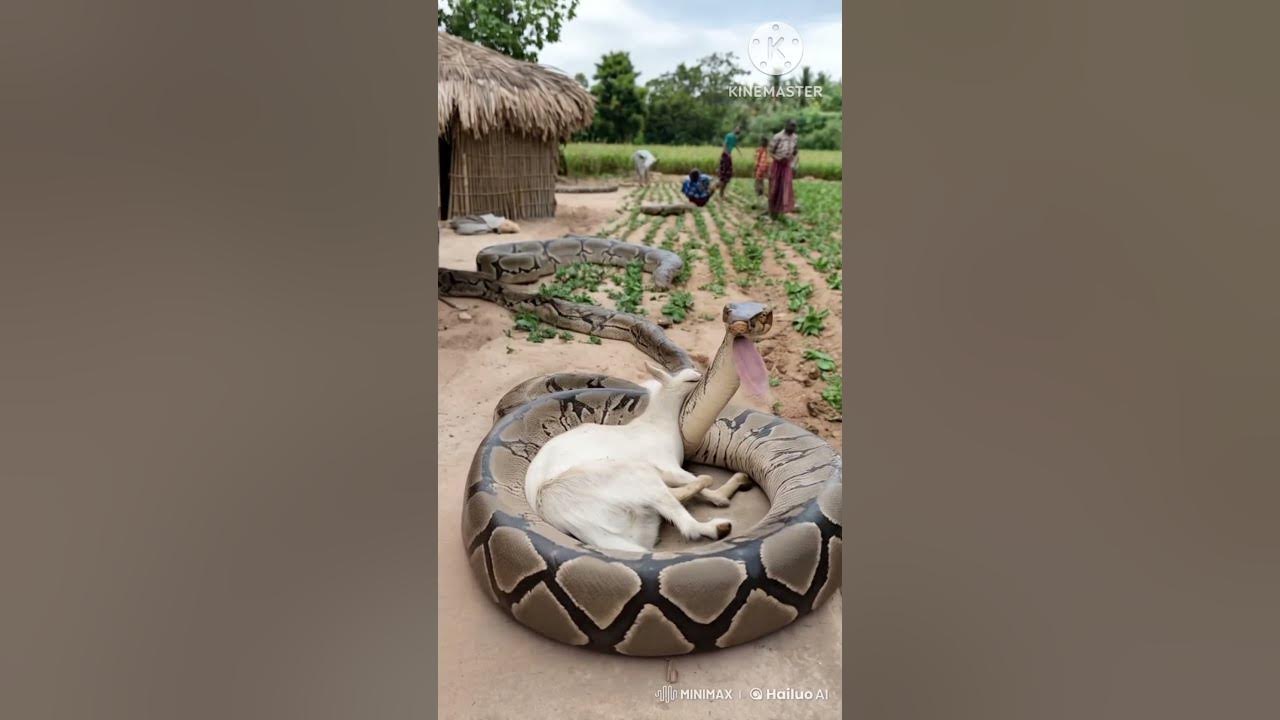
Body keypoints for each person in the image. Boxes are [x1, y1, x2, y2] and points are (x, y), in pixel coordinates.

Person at [766, 119, 799, 219]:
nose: (793, 128)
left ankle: (778, 212)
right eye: (791, 126)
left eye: (794, 126)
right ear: (786, 125)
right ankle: (771, 213)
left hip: (787, 166)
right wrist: (778, 158)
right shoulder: (778, 136)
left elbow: (795, 151)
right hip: (777, 165)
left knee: (785, 189)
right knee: (774, 189)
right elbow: (770, 151)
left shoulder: (795, 137)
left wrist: (794, 163)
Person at [717, 125, 742, 199]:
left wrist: (739, 152)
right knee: (724, 176)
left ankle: (721, 193)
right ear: (734, 129)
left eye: (739, 130)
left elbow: (736, 145)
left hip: (728, 156)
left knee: (727, 176)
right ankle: (721, 194)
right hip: (725, 156)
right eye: (737, 129)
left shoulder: (735, 138)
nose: (738, 130)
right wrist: (727, 153)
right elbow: (724, 144)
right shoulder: (729, 135)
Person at [753, 135, 771, 203]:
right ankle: (762, 197)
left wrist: (755, 168)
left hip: (761, 169)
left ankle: (760, 197)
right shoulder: (767, 150)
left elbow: (756, 161)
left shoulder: (760, 150)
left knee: (759, 183)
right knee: (761, 183)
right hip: (765, 169)